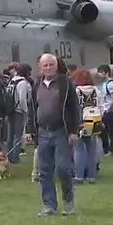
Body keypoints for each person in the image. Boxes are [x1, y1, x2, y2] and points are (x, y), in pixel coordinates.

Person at [25, 53, 80, 216]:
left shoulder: (65, 83)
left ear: (56, 66)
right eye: (45, 65)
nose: (48, 68)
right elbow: (32, 109)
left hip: (62, 131)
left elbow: (74, 108)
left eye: (51, 65)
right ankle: (49, 205)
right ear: (40, 67)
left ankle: (68, 200)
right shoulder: (37, 85)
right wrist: (30, 130)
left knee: (63, 168)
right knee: (44, 170)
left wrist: (74, 131)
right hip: (43, 132)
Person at [70, 68, 102, 184]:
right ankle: (92, 176)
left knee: (78, 150)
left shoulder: (76, 91)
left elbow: (73, 108)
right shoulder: (96, 91)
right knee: (92, 150)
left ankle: (79, 175)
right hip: (94, 122)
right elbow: (101, 107)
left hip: (80, 122)